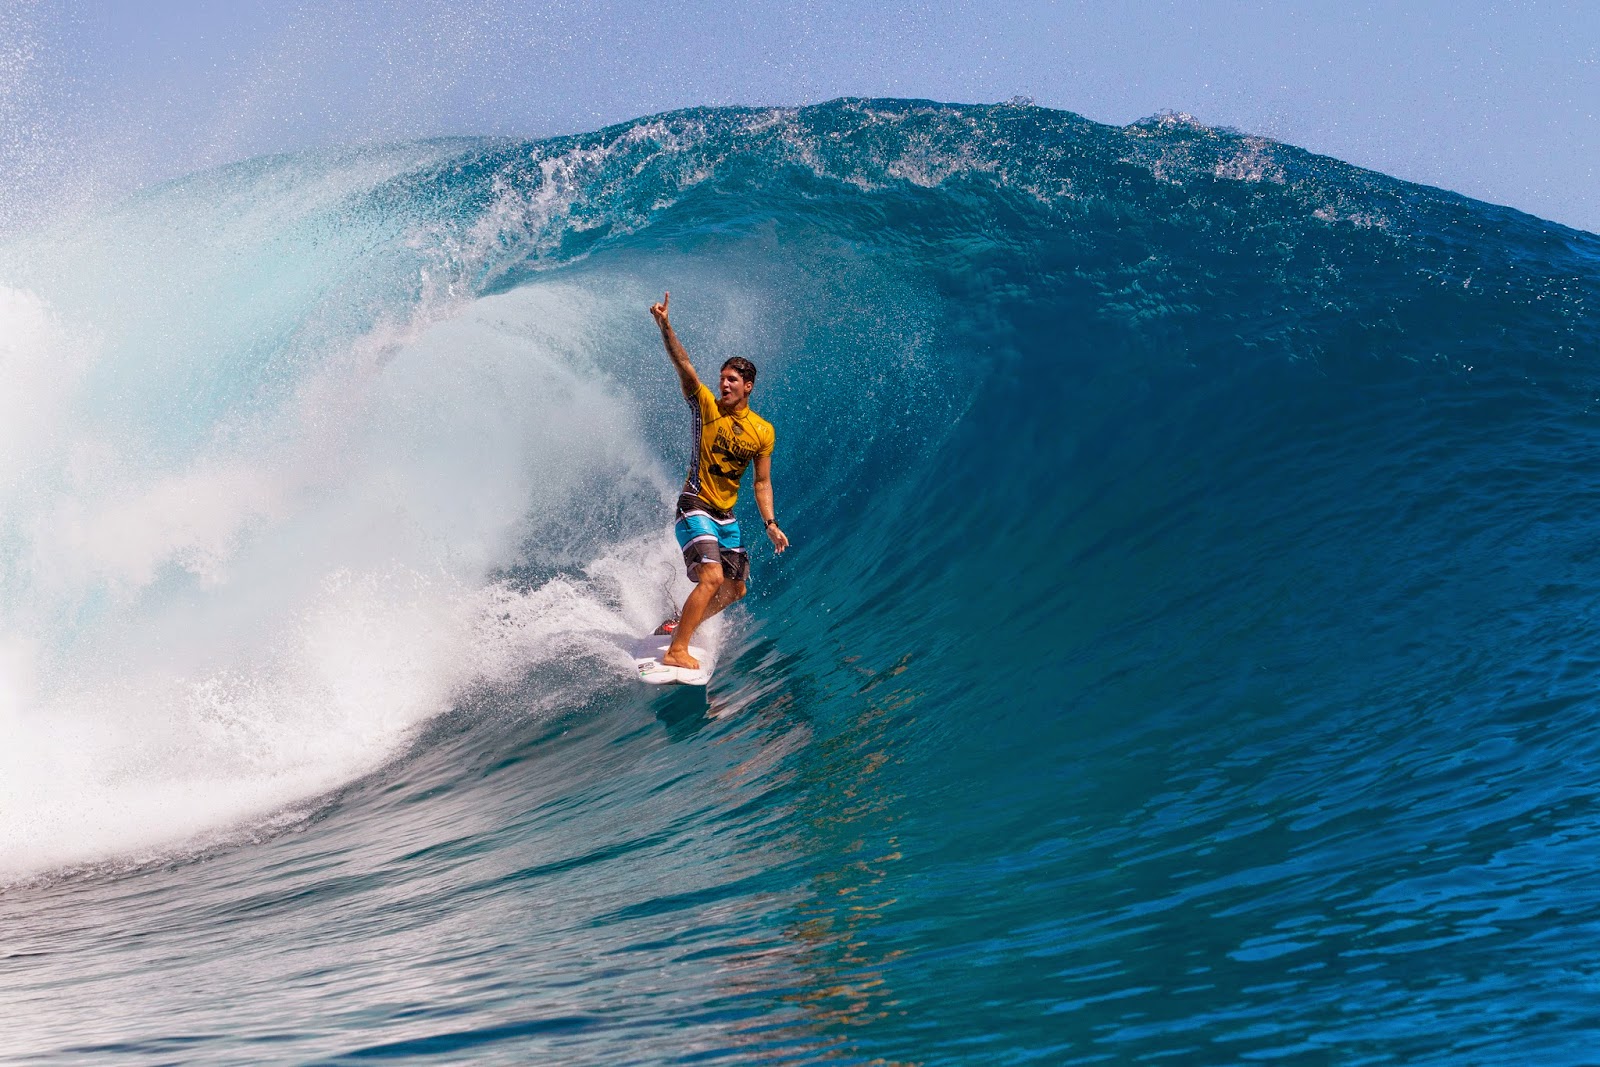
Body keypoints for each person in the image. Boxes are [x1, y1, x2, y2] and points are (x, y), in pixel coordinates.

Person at [650, 292, 788, 670]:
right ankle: (677, 648)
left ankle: (678, 625)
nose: (724, 384)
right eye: (722, 378)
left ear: (748, 386)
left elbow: (761, 483)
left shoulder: (763, 431)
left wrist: (770, 524)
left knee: (735, 588)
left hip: (725, 516)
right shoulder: (706, 405)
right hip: (694, 503)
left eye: (732, 380)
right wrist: (666, 327)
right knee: (711, 577)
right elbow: (684, 365)